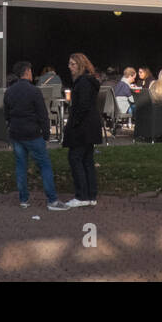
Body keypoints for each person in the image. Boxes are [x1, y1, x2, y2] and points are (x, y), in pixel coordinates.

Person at [4, 61, 70, 211]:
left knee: (21, 165)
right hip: (32, 133)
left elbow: (6, 114)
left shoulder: (9, 92)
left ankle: (23, 199)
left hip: (16, 133)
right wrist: (46, 135)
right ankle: (52, 200)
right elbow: (43, 115)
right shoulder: (34, 91)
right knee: (44, 165)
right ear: (27, 72)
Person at [63, 53, 102, 208]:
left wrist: (74, 123)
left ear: (80, 65)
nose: (69, 67)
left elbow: (82, 106)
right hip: (89, 126)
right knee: (87, 160)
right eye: (69, 64)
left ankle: (82, 195)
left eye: (72, 64)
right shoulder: (89, 81)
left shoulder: (83, 82)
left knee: (75, 158)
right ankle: (91, 195)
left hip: (82, 128)